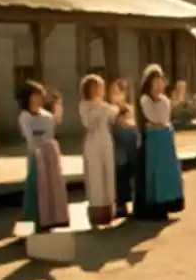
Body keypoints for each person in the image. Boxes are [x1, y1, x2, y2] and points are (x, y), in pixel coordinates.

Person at [133, 64, 186, 221]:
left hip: (164, 137)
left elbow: (164, 117)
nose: (159, 85)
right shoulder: (145, 100)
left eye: (160, 81)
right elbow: (156, 118)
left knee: (167, 171)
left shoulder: (163, 100)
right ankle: (154, 207)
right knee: (155, 173)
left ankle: (168, 203)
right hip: (153, 138)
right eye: (155, 82)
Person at [17, 80, 70, 232]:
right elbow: (29, 135)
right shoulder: (25, 116)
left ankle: (53, 218)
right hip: (37, 153)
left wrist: (58, 106)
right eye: (36, 95)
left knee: (52, 185)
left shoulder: (45, 114)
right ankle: (37, 220)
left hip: (50, 153)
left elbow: (54, 123)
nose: (39, 99)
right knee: (38, 185)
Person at [78, 74, 120, 226]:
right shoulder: (85, 105)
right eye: (98, 87)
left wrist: (115, 102)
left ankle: (109, 211)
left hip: (105, 140)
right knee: (96, 176)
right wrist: (101, 108)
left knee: (107, 173)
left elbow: (114, 114)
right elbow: (89, 122)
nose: (101, 91)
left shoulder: (103, 105)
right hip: (93, 142)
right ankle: (96, 211)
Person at [109, 78, 138, 217]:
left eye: (120, 92)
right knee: (120, 174)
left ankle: (133, 202)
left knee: (132, 173)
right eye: (114, 92)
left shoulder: (130, 108)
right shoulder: (110, 110)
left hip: (130, 144)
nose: (117, 95)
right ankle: (120, 205)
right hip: (118, 145)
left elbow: (133, 124)